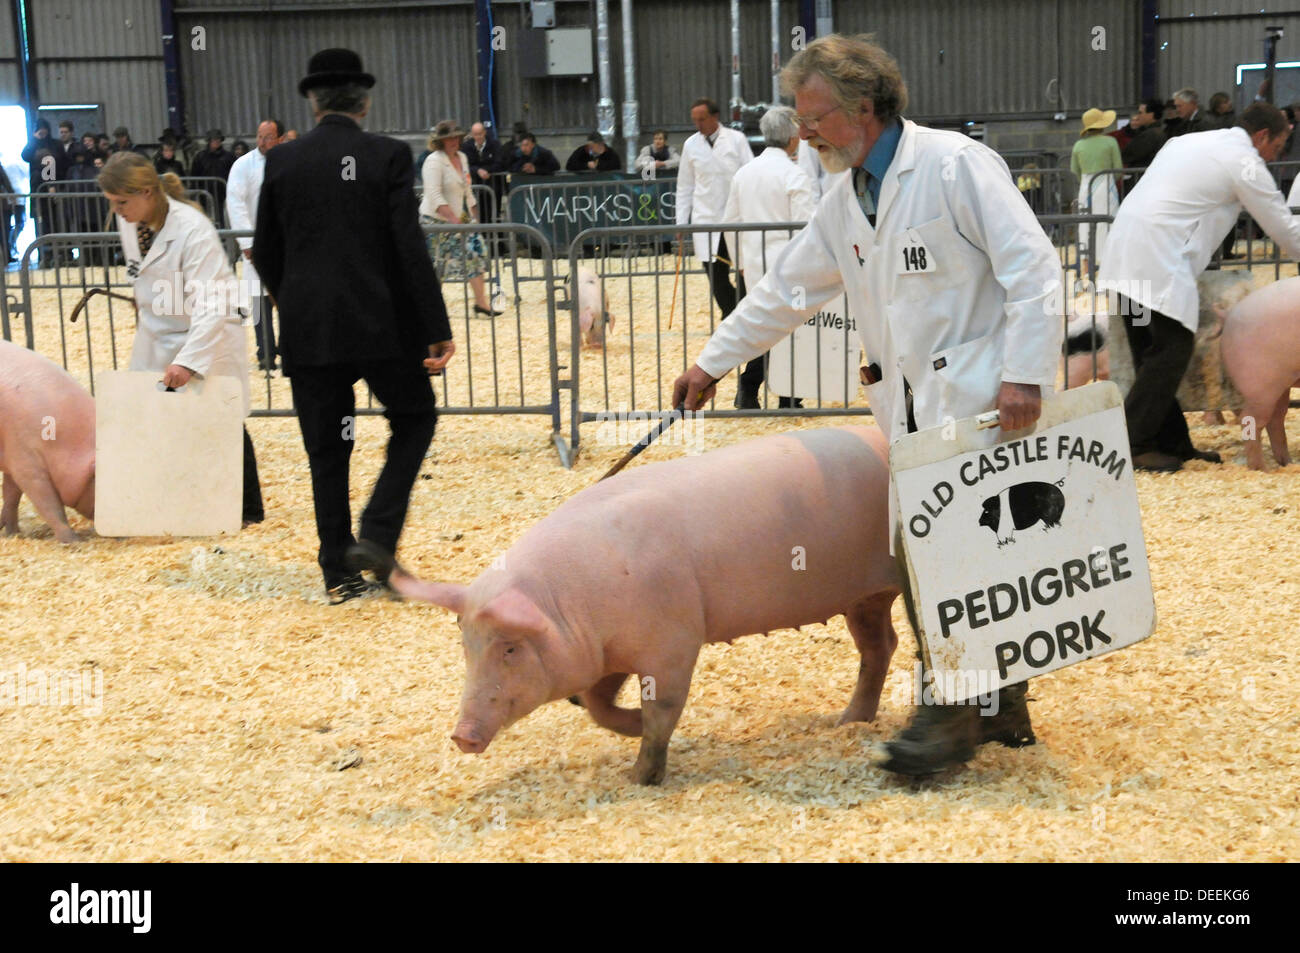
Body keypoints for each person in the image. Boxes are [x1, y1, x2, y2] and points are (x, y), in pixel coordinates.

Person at [671, 34, 1062, 777]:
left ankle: (947, 720)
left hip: (982, 396)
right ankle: (1000, 706)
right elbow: (787, 289)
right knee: (953, 552)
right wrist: (711, 361)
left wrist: (1026, 373)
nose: (803, 129)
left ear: (865, 107)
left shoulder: (952, 166)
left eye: (814, 115)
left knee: (944, 556)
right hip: (914, 411)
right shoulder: (845, 198)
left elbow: (1033, 265)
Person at [252, 47, 455, 604]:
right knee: (413, 419)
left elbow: (265, 249)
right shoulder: (388, 155)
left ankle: (337, 571)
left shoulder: (281, 161)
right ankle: (378, 534)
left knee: (328, 447)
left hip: (311, 329)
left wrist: (292, 298)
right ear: (364, 102)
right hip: (380, 326)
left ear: (313, 102)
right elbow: (407, 247)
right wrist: (434, 324)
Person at [1099, 102, 1300, 472]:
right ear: (1261, 136)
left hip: (1126, 251)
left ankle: (1172, 443)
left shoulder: (1191, 142)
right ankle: (1130, 444)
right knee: (1169, 352)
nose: (1278, 155)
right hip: (1158, 258)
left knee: (1153, 353)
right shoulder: (1244, 163)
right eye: (1279, 146)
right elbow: (1283, 228)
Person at [96, 151, 263, 525]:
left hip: (208, 332)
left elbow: (212, 298)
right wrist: (144, 304)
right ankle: (166, 501)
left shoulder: (191, 228)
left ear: (146, 192)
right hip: (159, 330)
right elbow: (140, 271)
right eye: (112, 204)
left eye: (121, 202)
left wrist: (190, 359)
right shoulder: (131, 222)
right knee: (149, 413)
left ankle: (248, 511)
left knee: (219, 415)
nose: (117, 211)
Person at [721, 105, 815, 408]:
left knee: (761, 329)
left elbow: (729, 224)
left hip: (754, 266)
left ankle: (748, 391)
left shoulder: (744, 173)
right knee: (792, 330)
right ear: (792, 137)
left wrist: (742, 264)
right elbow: (805, 228)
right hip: (789, 267)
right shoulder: (795, 175)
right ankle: (787, 397)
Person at [675, 97, 752, 320]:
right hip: (705, 219)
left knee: (744, 272)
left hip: (737, 218)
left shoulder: (737, 140)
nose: (698, 124)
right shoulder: (691, 145)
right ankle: (730, 314)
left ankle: (743, 315)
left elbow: (750, 174)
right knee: (714, 276)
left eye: (702, 119)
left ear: (715, 117)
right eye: (694, 120)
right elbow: (685, 186)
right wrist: (681, 222)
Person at [419, 120, 501, 316]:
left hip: (458, 220)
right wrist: (455, 222)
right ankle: (431, 310)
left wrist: (474, 218)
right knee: (435, 267)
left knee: (475, 253)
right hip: (434, 222)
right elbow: (435, 196)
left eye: (456, 137)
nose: (454, 141)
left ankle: (481, 303)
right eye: (449, 138)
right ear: (440, 141)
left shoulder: (462, 158)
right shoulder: (433, 161)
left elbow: (467, 190)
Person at [226, 119, 284, 371]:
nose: (262, 141)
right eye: (259, 136)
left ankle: (288, 350)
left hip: (285, 244)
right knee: (259, 304)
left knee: (286, 302)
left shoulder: (289, 161)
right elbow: (235, 202)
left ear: (279, 138)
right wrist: (247, 242)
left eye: (268, 136)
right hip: (257, 244)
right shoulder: (243, 165)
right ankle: (265, 353)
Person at [1070, 108, 1122, 277]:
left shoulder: (1079, 145)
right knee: (1109, 223)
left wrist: (1086, 181)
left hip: (1086, 186)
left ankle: (1086, 268)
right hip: (1106, 185)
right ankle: (1110, 266)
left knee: (1085, 224)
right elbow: (1118, 169)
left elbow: (1074, 170)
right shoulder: (1110, 142)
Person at [1121, 98, 1166, 169]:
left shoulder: (1151, 134)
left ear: (1151, 114)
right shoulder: (1156, 131)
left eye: (1140, 113)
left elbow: (1128, 154)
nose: (1138, 116)